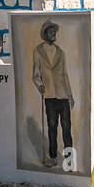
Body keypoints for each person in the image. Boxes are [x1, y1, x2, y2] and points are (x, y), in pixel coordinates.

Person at [32, 21, 74, 167]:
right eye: (51, 32)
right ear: (45, 34)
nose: (53, 34)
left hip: (62, 96)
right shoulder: (38, 51)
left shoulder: (61, 52)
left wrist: (70, 95)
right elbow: (36, 74)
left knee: (67, 128)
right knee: (52, 127)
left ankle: (69, 159)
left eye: (54, 32)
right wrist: (40, 85)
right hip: (49, 96)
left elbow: (65, 75)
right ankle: (53, 157)